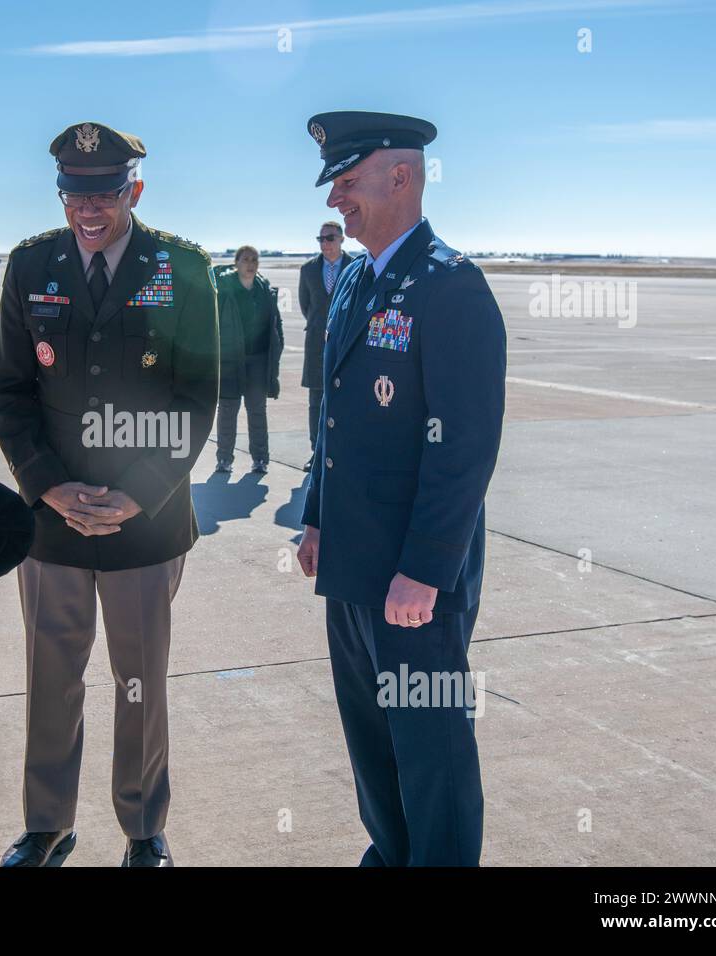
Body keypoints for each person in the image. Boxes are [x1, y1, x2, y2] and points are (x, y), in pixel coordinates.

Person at [0, 122, 219, 867]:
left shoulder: (181, 266)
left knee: (139, 680)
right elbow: (10, 391)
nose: (89, 212)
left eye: (106, 196)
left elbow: (197, 396)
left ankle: (144, 828)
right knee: (50, 677)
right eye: (74, 196)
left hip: (144, 524)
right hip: (52, 522)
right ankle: (47, 822)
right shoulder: (31, 266)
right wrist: (48, 487)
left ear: (134, 191)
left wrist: (137, 494)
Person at [296, 111, 506, 866]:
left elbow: (467, 449)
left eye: (347, 183)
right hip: (352, 561)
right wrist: (316, 517)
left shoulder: (451, 287)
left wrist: (424, 568)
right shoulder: (356, 277)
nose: (335, 202)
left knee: (431, 743)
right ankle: (391, 852)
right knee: (371, 734)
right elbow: (336, 418)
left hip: (414, 578)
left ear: (402, 176)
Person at [213, 246, 282, 475]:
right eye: (245, 259)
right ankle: (224, 459)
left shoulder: (264, 290)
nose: (250, 264)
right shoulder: (224, 288)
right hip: (231, 360)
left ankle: (260, 459)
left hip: (258, 361)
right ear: (236, 263)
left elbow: (275, 325)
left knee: (257, 410)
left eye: (254, 260)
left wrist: (276, 352)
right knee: (228, 410)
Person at [298, 222, 353, 471]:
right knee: (316, 400)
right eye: (320, 239)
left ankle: (342, 453)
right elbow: (305, 305)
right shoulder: (308, 269)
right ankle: (316, 453)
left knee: (347, 399)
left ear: (342, 239)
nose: (325, 243)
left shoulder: (356, 267)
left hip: (346, 344)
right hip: (316, 344)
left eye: (330, 238)